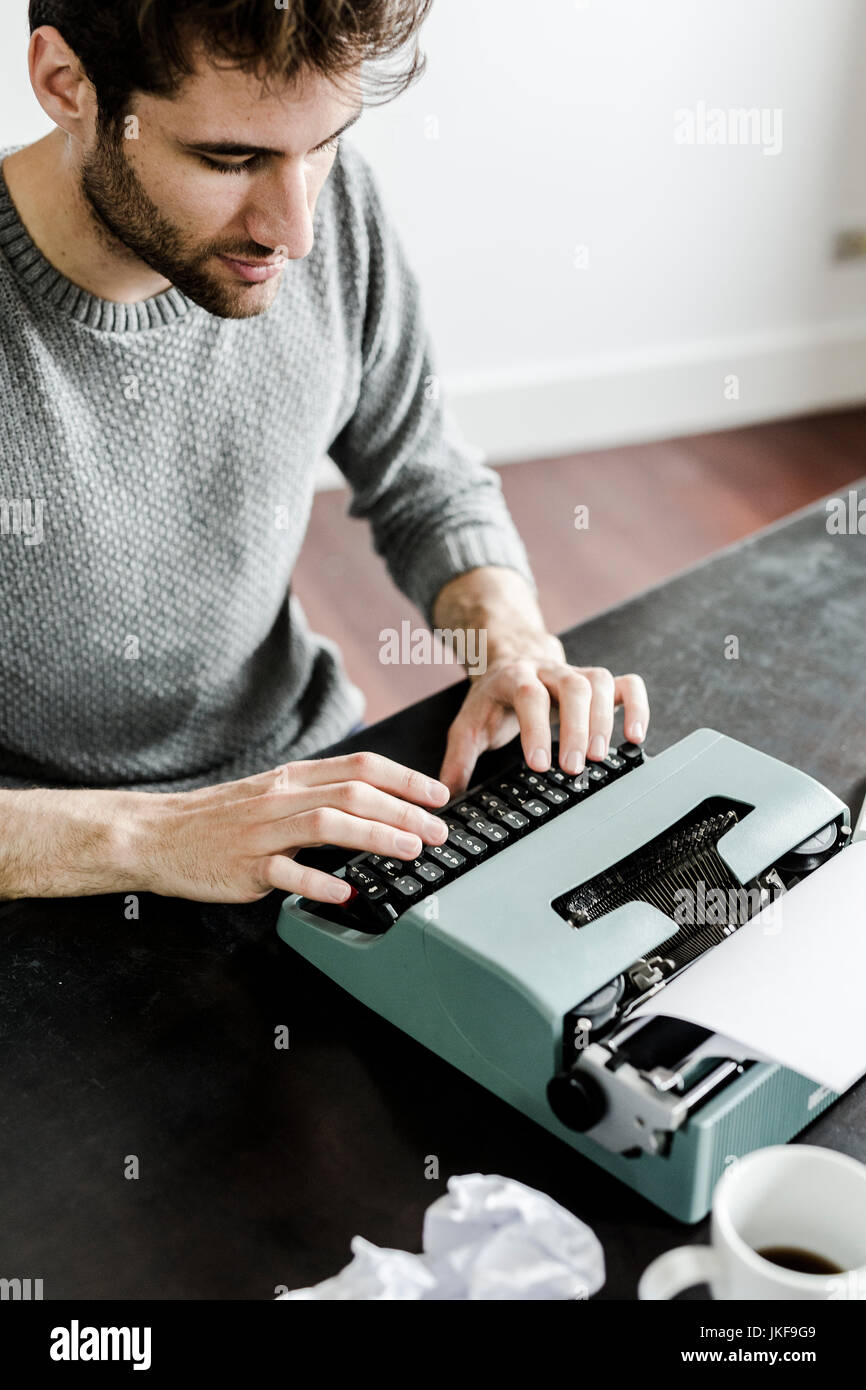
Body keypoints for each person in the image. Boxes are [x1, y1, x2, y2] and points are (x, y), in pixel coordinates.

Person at [0, 0, 649, 905]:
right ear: (65, 85)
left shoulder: (332, 211)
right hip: (55, 870)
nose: (294, 231)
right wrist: (156, 834)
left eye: (324, 145)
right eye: (229, 160)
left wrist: (510, 640)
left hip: (305, 786)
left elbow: (423, 476)